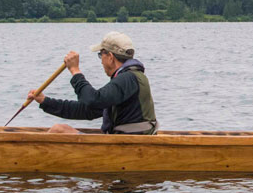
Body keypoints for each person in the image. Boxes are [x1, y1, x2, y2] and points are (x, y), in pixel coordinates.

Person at [26, 31, 158, 134]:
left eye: (101, 55)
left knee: (58, 130)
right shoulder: (127, 79)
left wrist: (75, 71)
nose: (101, 61)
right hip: (123, 142)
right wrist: (45, 101)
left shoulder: (128, 79)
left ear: (110, 57)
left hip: (129, 146)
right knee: (60, 129)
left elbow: (92, 100)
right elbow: (87, 110)